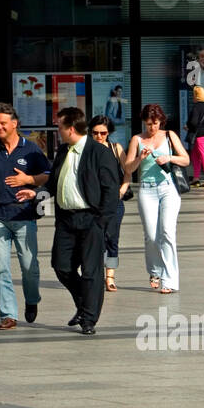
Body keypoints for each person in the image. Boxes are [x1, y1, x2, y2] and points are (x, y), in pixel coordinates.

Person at [19, 107, 122, 336]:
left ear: (71, 129)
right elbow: (53, 182)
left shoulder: (99, 152)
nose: (58, 131)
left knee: (90, 271)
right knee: (61, 265)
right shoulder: (63, 151)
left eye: (59, 127)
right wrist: (36, 193)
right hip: (66, 219)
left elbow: (111, 190)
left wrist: (101, 222)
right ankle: (84, 302)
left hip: (91, 219)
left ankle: (89, 319)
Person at [0, 103, 50, 329]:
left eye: (3, 123)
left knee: (29, 266)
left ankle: (32, 299)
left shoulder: (31, 149)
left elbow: (46, 177)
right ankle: (8, 314)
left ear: (14, 124)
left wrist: (28, 180)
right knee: (1, 268)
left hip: (24, 215)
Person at [122, 105, 189, 295]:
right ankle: (155, 271)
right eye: (149, 124)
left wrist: (169, 157)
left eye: (155, 124)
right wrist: (140, 158)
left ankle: (170, 280)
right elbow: (128, 168)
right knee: (151, 236)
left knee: (167, 232)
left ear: (161, 122)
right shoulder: (137, 139)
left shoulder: (169, 135)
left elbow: (186, 160)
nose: (152, 128)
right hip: (147, 189)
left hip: (168, 188)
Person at [89, 115, 128, 291]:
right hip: (92, 202)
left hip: (114, 202)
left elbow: (128, 170)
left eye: (103, 133)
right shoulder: (86, 150)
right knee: (94, 238)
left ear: (109, 132)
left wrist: (123, 188)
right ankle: (94, 274)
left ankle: (110, 276)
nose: (99, 136)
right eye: (95, 133)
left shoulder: (115, 148)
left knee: (112, 237)